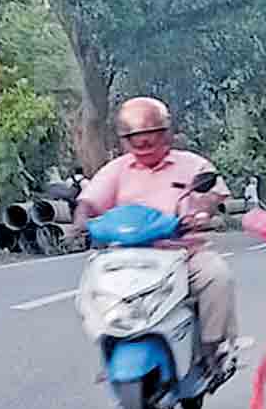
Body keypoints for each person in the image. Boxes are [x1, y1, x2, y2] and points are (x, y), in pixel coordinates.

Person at [70, 96, 239, 372]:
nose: (143, 143)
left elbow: (212, 194)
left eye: (150, 135)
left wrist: (202, 210)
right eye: (135, 137)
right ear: (124, 139)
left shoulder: (191, 164)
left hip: (183, 252)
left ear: (166, 133)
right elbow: (89, 200)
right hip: (127, 257)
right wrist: (80, 221)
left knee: (217, 276)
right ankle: (110, 342)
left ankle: (212, 348)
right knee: (92, 290)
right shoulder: (116, 170)